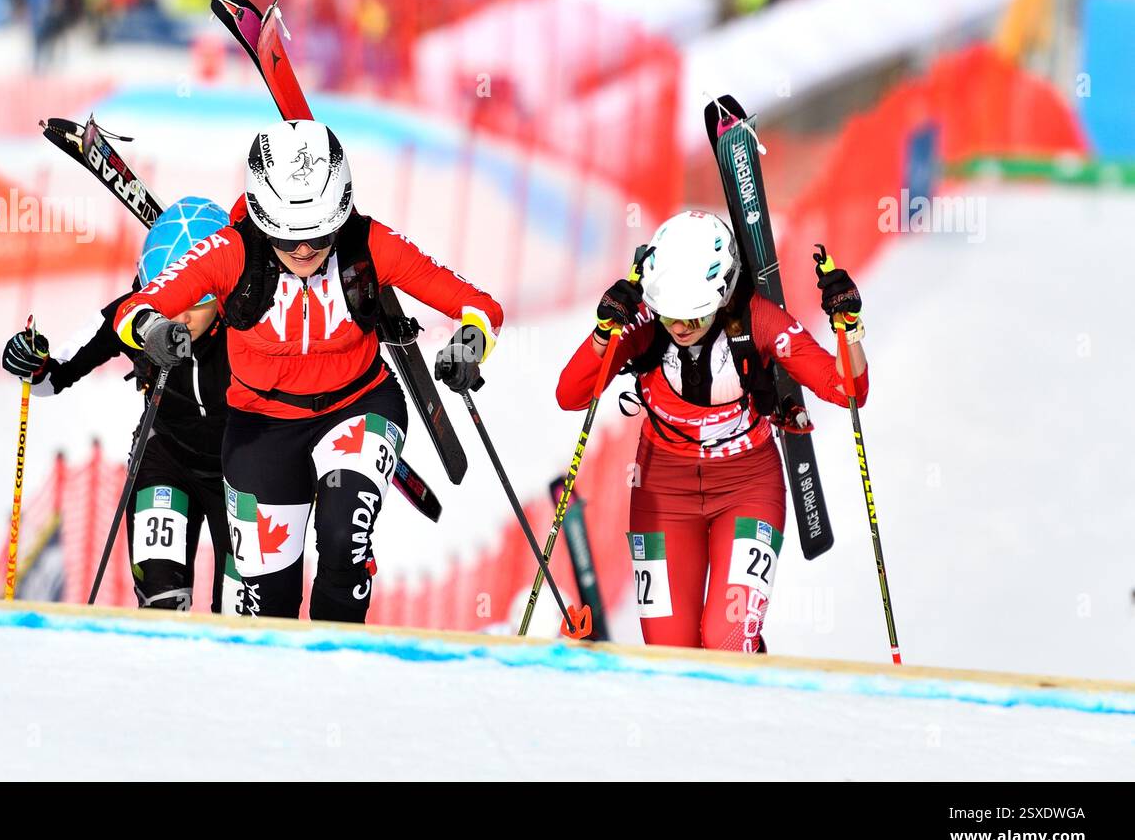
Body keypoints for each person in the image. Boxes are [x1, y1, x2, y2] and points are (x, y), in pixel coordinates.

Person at [110, 120, 503, 623]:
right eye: (286, 236)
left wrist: (469, 344)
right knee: (267, 604)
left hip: (358, 409)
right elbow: (134, 310)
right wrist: (154, 332)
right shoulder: (230, 252)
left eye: (318, 236)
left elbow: (479, 305)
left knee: (343, 541)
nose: (302, 251)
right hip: (261, 428)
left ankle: (338, 659)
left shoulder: (370, 246)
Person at [555, 210, 868, 651]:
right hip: (662, 492)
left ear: (722, 296)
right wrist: (606, 332)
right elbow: (570, 394)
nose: (680, 328)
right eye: (670, 317)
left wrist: (848, 329)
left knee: (725, 643)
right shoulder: (645, 321)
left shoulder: (759, 319)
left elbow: (848, 390)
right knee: (669, 655)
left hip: (747, 487)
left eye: (695, 317)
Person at [1, 196, 238, 612]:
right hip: (167, 460)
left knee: (241, 618)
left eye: (198, 300)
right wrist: (31, 365)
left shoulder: (255, 318)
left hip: (246, 474)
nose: (181, 316)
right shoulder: (134, 315)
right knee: (161, 601)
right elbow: (53, 376)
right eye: (169, 300)